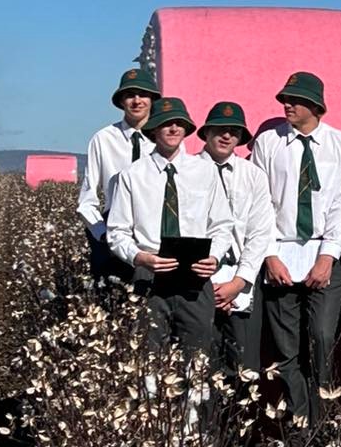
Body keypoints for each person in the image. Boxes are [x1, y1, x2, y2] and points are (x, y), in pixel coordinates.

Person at [250, 72, 341, 426]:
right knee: (285, 349)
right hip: (281, 255)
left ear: (316, 106)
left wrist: (327, 257)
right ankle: (300, 423)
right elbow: (260, 201)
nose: (287, 105)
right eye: (285, 98)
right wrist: (269, 255)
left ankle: (324, 421)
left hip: (322, 254)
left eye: (295, 99)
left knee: (322, 339)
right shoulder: (268, 143)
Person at [107, 97, 233, 360]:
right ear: (154, 130)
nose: (174, 129)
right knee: (148, 362)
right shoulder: (132, 175)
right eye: (166, 124)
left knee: (197, 362)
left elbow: (222, 225)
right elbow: (117, 231)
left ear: (187, 129)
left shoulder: (206, 171)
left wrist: (215, 257)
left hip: (195, 277)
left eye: (179, 123)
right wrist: (139, 257)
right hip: (149, 276)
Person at [196, 101, 275, 376]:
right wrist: (210, 286)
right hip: (198, 283)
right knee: (201, 369)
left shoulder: (254, 176)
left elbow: (259, 233)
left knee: (243, 370)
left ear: (241, 138)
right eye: (219, 129)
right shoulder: (186, 172)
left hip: (241, 283)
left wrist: (238, 283)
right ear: (206, 133)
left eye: (234, 131)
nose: (226, 136)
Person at [77, 67, 160, 281]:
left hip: (154, 236)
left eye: (143, 94)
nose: (136, 100)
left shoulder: (166, 139)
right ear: (121, 101)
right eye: (130, 95)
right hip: (112, 229)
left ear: (152, 99)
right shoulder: (103, 139)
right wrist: (103, 235)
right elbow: (87, 198)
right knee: (111, 304)